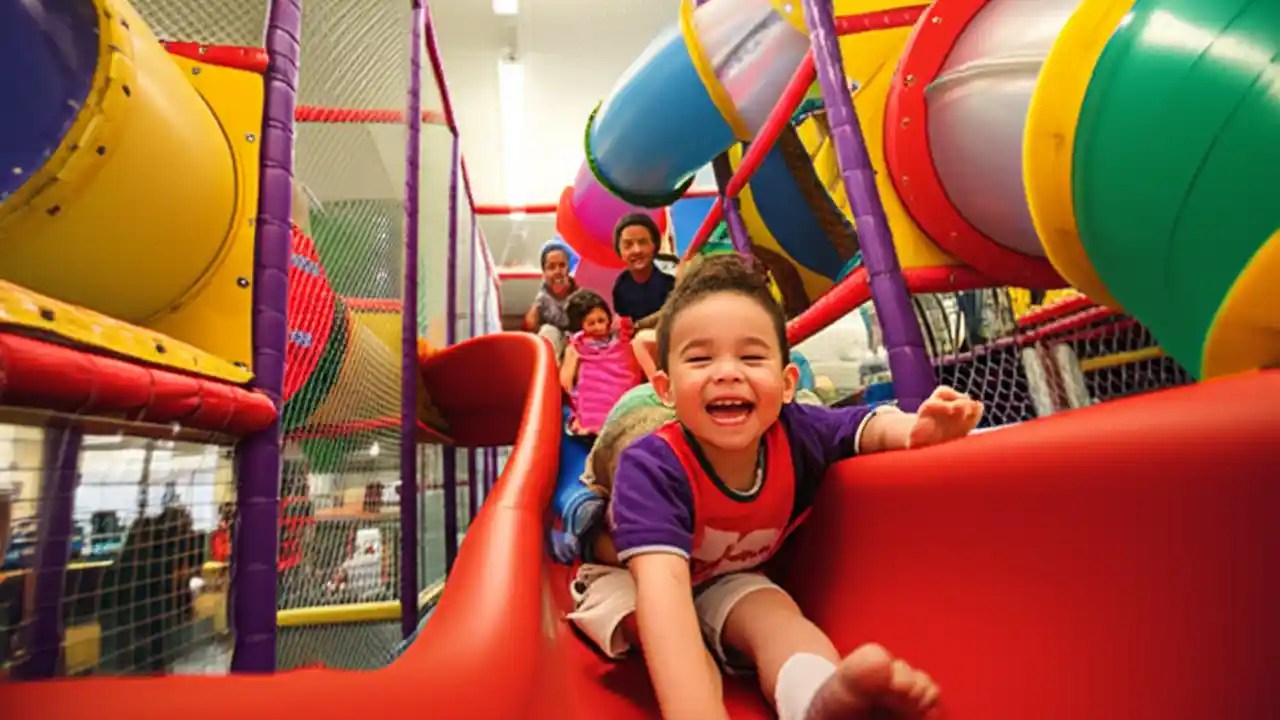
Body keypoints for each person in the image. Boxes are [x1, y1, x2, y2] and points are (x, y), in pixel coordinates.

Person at [567, 255, 984, 720]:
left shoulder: (797, 431)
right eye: (701, 358)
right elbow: (664, 600)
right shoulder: (653, 465)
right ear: (665, 389)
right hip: (633, 578)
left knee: (776, 620)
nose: (727, 372)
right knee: (652, 622)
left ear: (787, 384)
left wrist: (915, 430)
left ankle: (818, 702)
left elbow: (861, 426)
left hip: (727, 579)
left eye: (751, 357)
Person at [560, 290, 643, 436]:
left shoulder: (621, 338)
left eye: (601, 320)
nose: (598, 327)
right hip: (592, 397)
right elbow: (565, 383)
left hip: (620, 389)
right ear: (581, 325)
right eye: (591, 323)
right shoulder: (577, 346)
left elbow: (629, 367)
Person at [611, 213, 675, 324]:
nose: (637, 250)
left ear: (655, 245)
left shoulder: (672, 275)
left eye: (643, 242)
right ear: (620, 251)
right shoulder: (621, 286)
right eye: (628, 245)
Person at [524, 242, 579, 359]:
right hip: (554, 344)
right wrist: (538, 304)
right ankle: (551, 373)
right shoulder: (543, 296)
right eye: (551, 267)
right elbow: (530, 325)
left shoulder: (578, 291)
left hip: (576, 343)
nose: (557, 271)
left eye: (562, 265)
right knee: (548, 331)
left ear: (568, 268)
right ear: (544, 272)